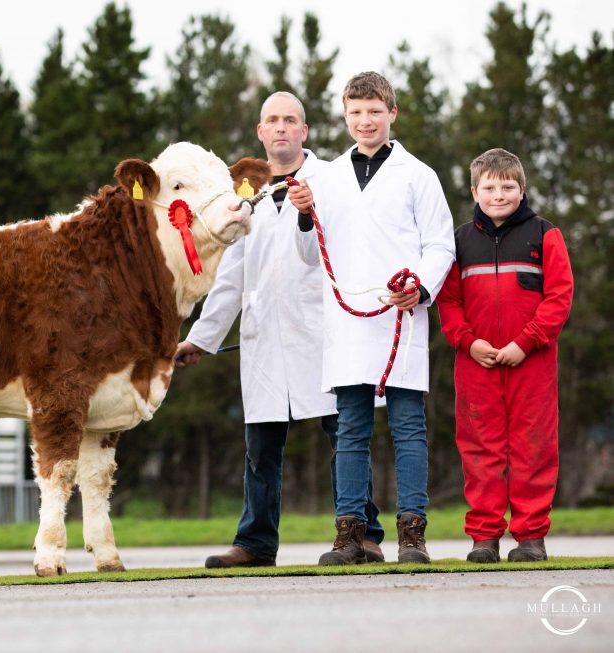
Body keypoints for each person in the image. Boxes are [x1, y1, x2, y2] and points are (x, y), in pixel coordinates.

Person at [175, 91, 385, 569]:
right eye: (273, 120)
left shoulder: (334, 179)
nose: (282, 128)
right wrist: (202, 339)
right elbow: (231, 275)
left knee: (345, 435)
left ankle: (364, 535)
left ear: (305, 131)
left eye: (291, 120)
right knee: (261, 448)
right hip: (265, 336)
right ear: (260, 132)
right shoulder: (241, 194)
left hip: (325, 332)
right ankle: (255, 543)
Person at [288, 71, 455, 565]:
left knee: (408, 427)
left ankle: (412, 535)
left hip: (400, 315)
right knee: (350, 429)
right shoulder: (323, 179)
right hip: (347, 321)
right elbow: (307, 255)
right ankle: (350, 534)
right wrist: (303, 215)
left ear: (391, 114)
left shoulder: (417, 175)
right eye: (356, 112)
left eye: (374, 111)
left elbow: (440, 243)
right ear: (345, 115)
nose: (365, 120)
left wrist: (421, 286)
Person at [436, 148, 573, 563]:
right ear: (475, 190)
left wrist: (525, 342)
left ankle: (531, 537)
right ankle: (484, 537)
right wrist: (468, 341)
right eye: (490, 187)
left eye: (508, 187)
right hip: (476, 362)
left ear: (522, 189)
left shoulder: (545, 234)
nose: (499, 195)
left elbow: (559, 297)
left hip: (531, 362)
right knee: (480, 449)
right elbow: (448, 301)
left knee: (534, 446)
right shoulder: (457, 241)